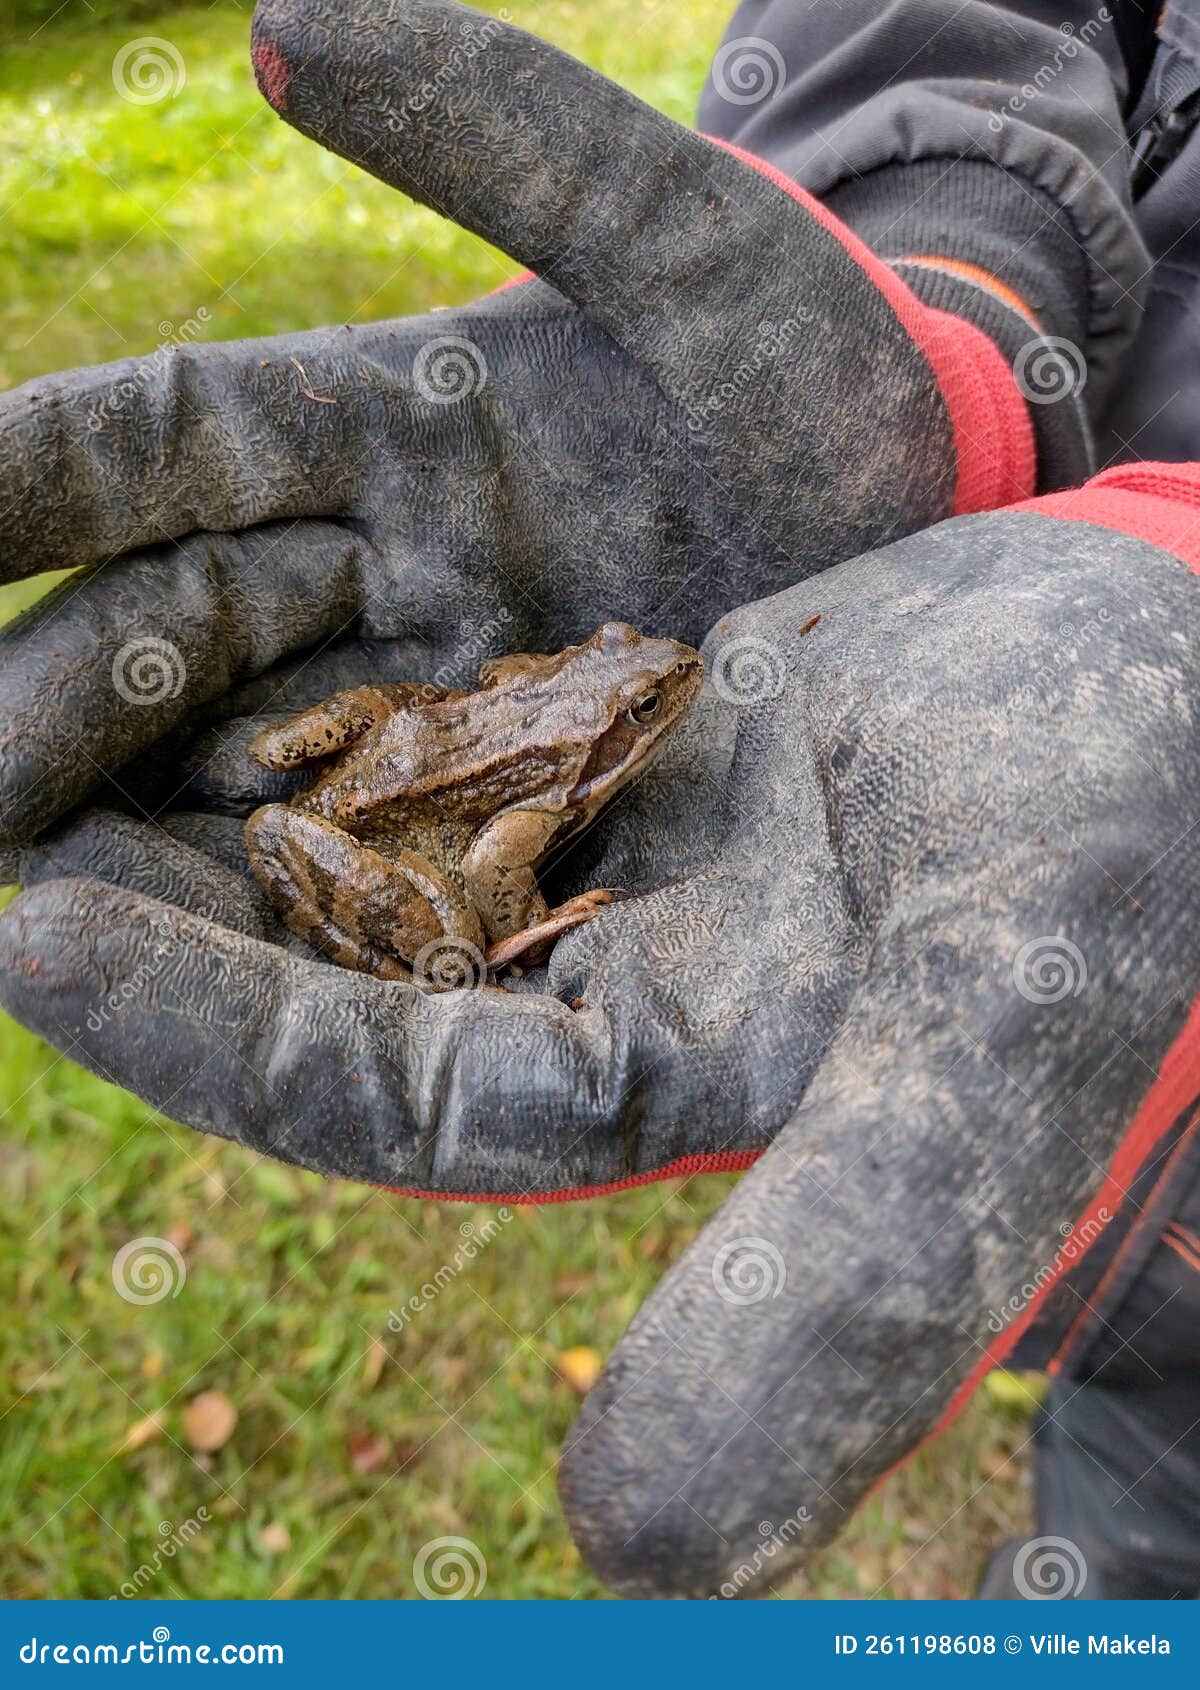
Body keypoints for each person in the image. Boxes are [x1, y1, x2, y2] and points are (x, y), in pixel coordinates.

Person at [0, 0, 1197, 1599]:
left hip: (468, 762)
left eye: (641, 699)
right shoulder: (568, 750)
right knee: (1131, 1536)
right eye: (639, 697)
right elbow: (491, 847)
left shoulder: (586, 745)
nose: (655, 694)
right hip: (415, 803)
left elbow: (507, 826)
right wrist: (941, 311)